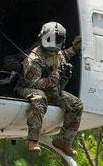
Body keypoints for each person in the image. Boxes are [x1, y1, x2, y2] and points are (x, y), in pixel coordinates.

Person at [17, 21, 84, 156]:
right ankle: (33, 141)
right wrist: (50, 80)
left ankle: (64, 141)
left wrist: (74, 49)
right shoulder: (35, 57)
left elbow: (63, 56)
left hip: (51, 89)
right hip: (26, 88)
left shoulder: (57, 53)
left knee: (77, 104)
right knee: (39, 99)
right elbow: (32, 83)